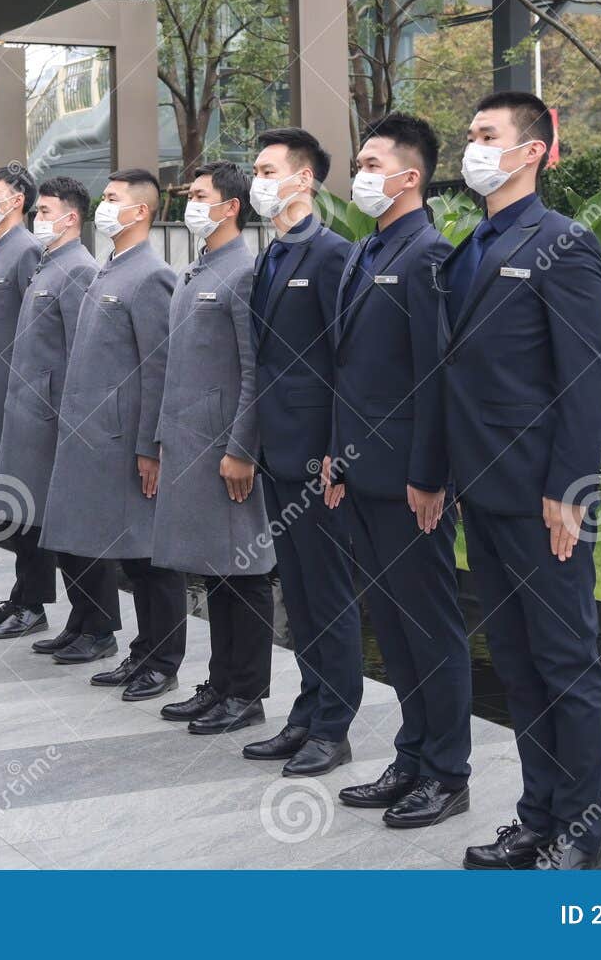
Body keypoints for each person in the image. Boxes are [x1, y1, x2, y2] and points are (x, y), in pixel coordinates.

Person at [443, 92, 601, 871]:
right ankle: (538, 818)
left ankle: (581, 835)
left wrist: (569, 488)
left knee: (565, 663)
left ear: (533, 151)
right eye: (471, 134)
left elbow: (585, 377)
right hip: (483, 491)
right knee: (514, 661)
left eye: (486, 135)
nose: (472, 147)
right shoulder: (473, 243)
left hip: (542, 497)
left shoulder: (564, 242)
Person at [324, 113, 472, 830]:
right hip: (360, 475)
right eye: (359, 162)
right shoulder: (364, 252)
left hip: (411, 485)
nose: (361, 174)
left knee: (431, 628)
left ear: (411, 176)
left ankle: (448, 771)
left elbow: (435, 375)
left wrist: (430, 474)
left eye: (372, 163)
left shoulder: (430, 256)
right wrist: (334, 453)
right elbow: (346, 368)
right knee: (392, 624)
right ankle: (411, 756)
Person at [237, 128, 360, 778]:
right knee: (301, 594)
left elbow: (349, 362)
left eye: (266, 168)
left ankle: (334, 725)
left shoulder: (334, 255)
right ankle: (308, 711)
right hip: (277, 455)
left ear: (304, 178)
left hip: (319, 461)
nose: (257, 179)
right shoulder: (272, 255)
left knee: (329, 593)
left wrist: (341, 453)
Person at [41, 169, 183, 700]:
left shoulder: (152, 276)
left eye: (113, 198)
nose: (104, 206)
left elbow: (159, 367)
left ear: (141, 211)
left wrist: (151, 446)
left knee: (148, 558)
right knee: (128, 553)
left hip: (130, 444)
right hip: (99, 440)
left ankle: (161, 659)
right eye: (103, 197)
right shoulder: (110, 270)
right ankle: (140, 652)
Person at [152, 161, 275, 736]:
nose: (190, 203)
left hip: (226, 450)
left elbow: (256, 370)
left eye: (201, 196)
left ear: (231, 207)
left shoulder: (244, 272)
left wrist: (242, 448)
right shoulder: (195, 270)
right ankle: (219, 683)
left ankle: (245, 692)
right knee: (214, 570)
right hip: (189, 445)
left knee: (242, 569)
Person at [0, 177, 119, 656]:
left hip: (60, 420)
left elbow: (81, 354)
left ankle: (100, 628)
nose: (36, 219)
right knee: (54, 525)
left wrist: (71, 418)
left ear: (71, 218)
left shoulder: (79, 270)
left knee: (79, 524)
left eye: (44, 212)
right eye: (37, 211)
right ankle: (80, 620)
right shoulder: (50, 264)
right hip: (34, 418)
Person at [0, 165, 53, 639]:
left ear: (18, 199)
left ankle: (34, 602)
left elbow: (38, 329)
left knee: (27, 499)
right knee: (8, 498)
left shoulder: (26, 251)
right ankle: (23, 593)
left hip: (19, 398)